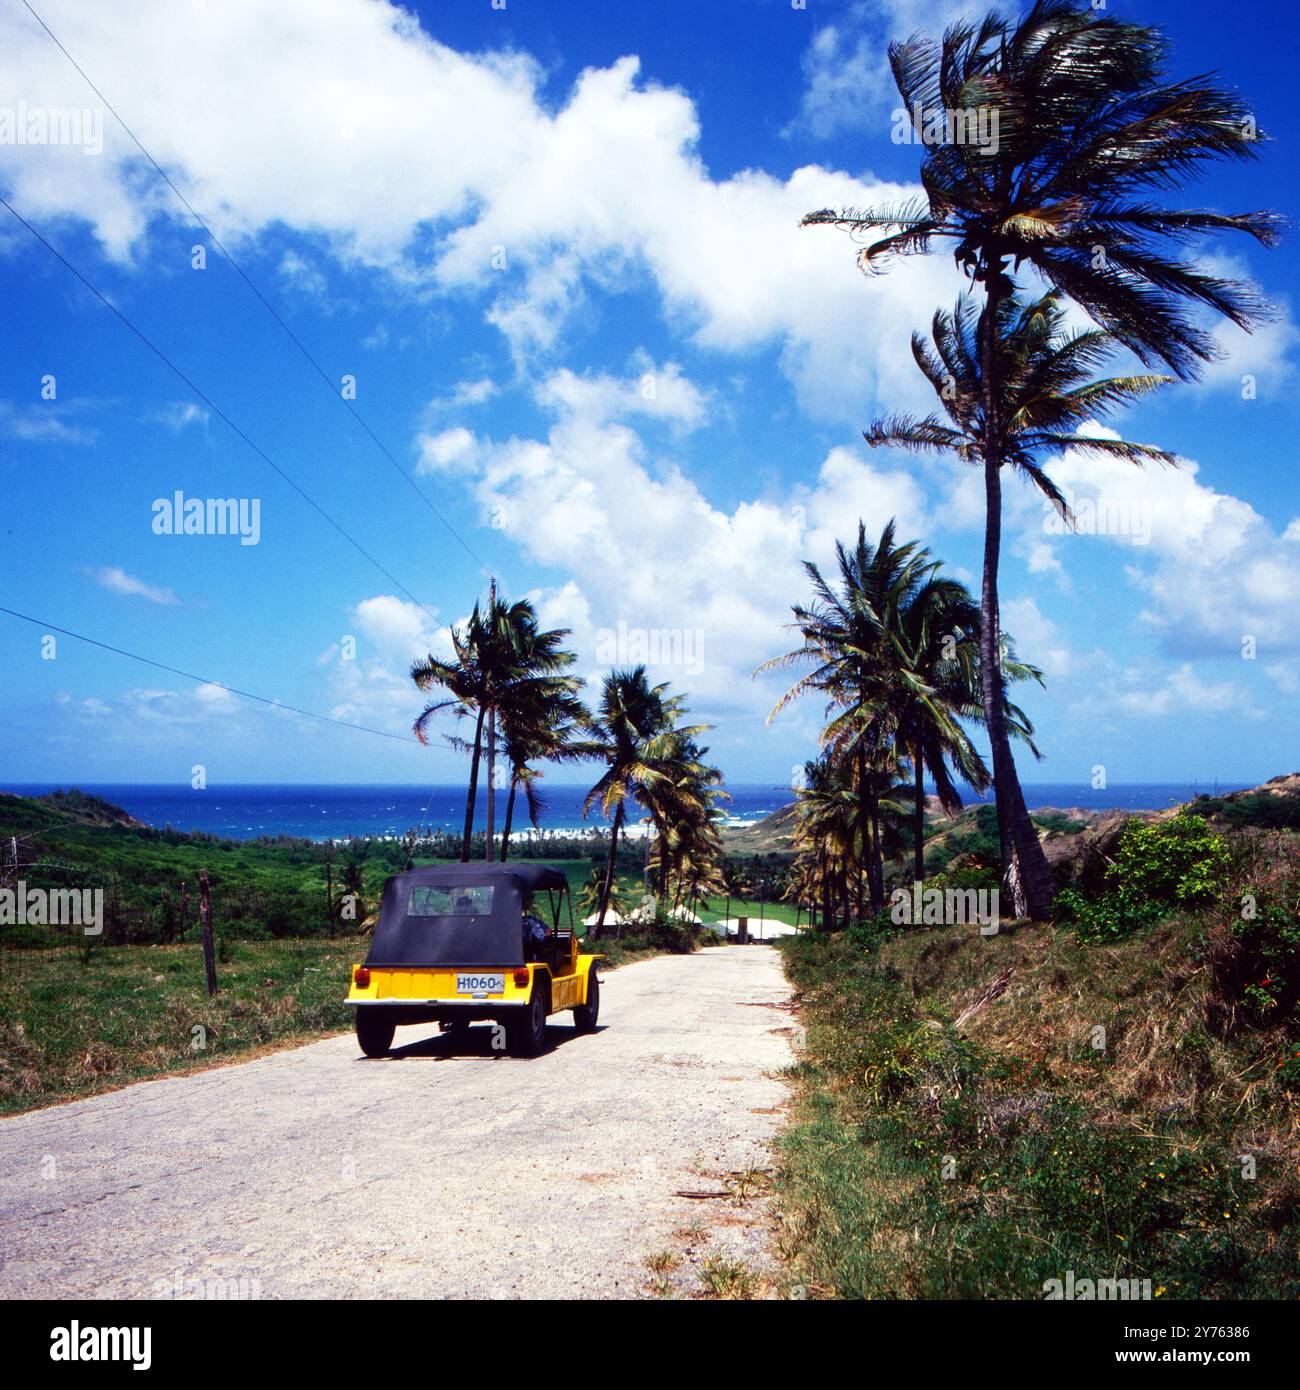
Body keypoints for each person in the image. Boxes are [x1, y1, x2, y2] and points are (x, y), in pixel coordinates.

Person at [521, 892, 548, 959]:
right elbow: (541, 937)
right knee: (559, 954)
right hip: (528, 957)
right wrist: (547, 933)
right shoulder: (530, 921)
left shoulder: (506, 920)